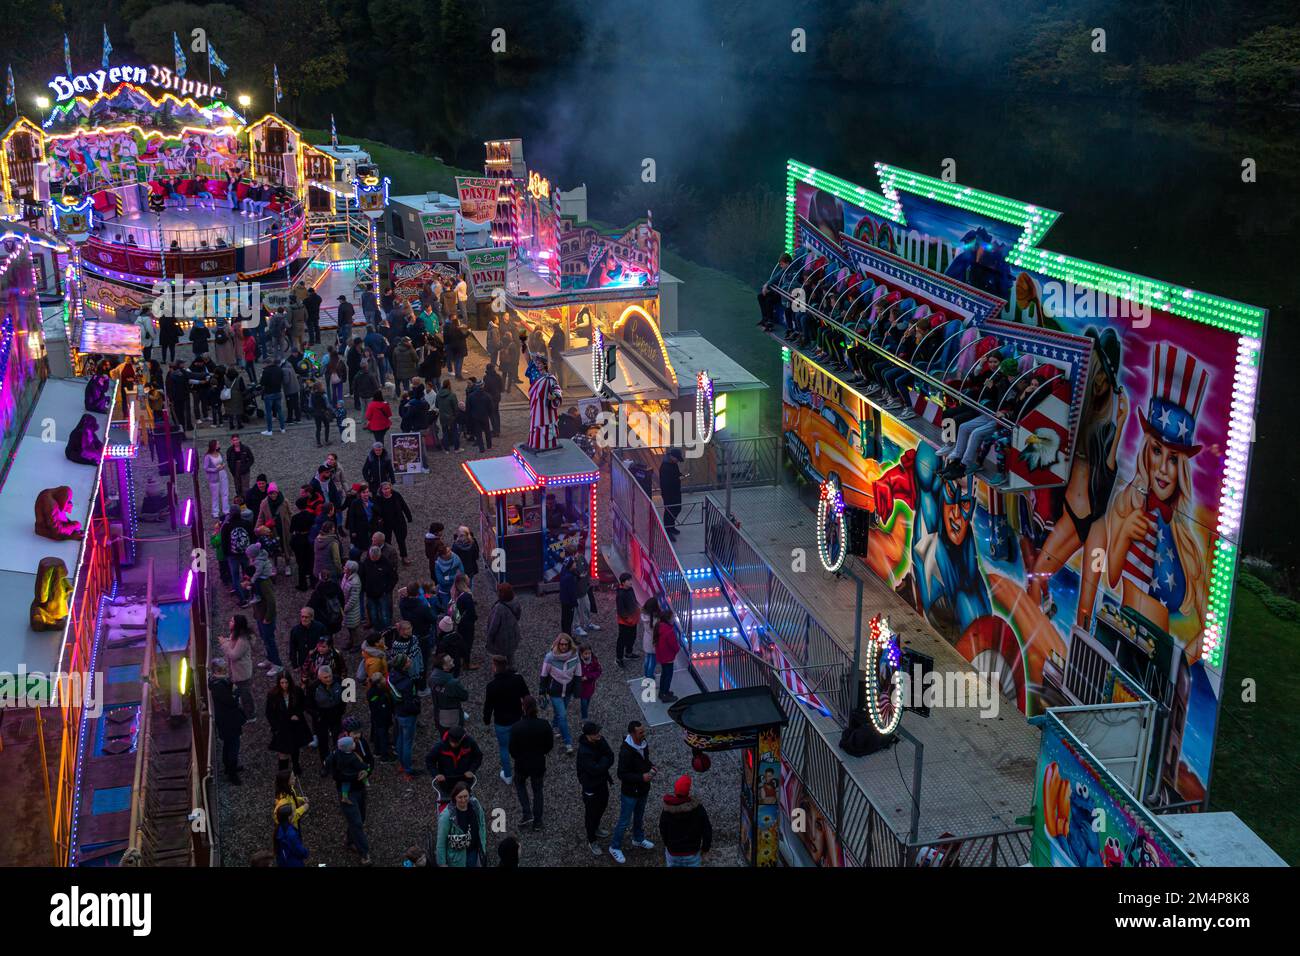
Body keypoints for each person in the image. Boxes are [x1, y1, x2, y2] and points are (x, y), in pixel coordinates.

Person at [609, 720, 656, 863]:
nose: (644, 733)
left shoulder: (643, 742)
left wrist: (651, 766)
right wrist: (641, 777)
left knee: (639, 816)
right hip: (630, 792)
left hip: (642, 789)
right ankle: (614, 847)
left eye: (643, 731)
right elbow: (621, 774)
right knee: (624, 821)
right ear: (632, 733)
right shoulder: (626, 752)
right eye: (640, 732)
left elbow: (645, 760)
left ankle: (638, 838)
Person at [326, 734, 373, 865]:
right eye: (353, 733)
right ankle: (364, 853)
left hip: (360, 789)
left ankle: (350, 841)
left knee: (360, 819)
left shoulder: (361, 744)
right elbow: (337, 775)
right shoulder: (337, 754)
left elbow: (369, 762)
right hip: (348, 793)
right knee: (357, 822)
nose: (357, 736)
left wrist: (367, 772)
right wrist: (356, 775)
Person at [508, 694, 552, 831]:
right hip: (538, 763)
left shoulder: (516, 727)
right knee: (538, 791)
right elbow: (549, 745)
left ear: (523, 707)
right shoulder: (544, 725)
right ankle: (538, 822)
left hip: (521, 763)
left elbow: (512, 749)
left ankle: (527, 813)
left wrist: (518, 757)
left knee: (520, 784)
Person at [576, 720, 615, 856]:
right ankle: (591, 839)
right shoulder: (584, 752)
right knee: (591, 813)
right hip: (591, 787)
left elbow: (611, 755)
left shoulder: (599, 739)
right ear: (588, 735)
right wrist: (603, 761)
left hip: (601, 782)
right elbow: (596, 769)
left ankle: (596, 827)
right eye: (595, 733)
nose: (599, 734)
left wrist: (601, 763)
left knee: (602, 805)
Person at [658, 774, 713, 866]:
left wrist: (668, 844)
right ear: (688, 791)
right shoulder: (698, 809)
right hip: (692, 854)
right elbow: (707, 830)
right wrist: (705, 849)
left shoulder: (667, 810)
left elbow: (662, 829)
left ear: (675, 790)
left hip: (673, 853)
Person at [266, 669, 312, 776]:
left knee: (295, 747)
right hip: (282, 726)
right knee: (283, 751)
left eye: (286, 682)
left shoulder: (296, 691)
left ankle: (296, 766)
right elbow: (269, 713)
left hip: (295, 725)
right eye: (282, 683)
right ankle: (283, 774)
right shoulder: (273, 695)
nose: (284, 685)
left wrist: (297, 714)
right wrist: (275, 726)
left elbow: (303, 705)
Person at [540, 634, 581, 753]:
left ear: (569, 645)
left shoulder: (575, 656)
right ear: (558, 644)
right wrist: (542, 691)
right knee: (563, 715)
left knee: (559, 713)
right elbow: (544, 675)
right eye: (561, 644)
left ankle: (554, 726)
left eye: (566, 644)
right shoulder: (550, 657)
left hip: (568, 691)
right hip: (555, 692)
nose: (563, 646)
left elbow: (578, 673)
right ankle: (568, 742)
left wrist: (578, 689)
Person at [435, 781, 487, 867]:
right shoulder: (447, 816)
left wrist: (483, 843)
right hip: (457, 857)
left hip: (473, 851)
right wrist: (442, 863)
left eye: (465, 796)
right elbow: (441, 841)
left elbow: (482, 823)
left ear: (469, 795)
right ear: (454, 797)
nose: (463, 800)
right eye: (460, 797)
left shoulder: (475, 805)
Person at [208, 658, 244, 784]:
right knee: (233, 745)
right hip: (228, 720)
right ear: (218, 671)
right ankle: (231, 771)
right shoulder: (219, 686)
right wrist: (235, 692)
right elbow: (231, 701)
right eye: (223, 669)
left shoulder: (215, 683)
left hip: (225, 719)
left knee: (229, 744)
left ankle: (229, 767)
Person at [426, 724, 483, 798]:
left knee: (465, 801)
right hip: (446, 781)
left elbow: (478, 756)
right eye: (451, 741)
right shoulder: (440, 746)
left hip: (465, 780)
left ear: (462, 738)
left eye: (456, 742)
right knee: (447, 802)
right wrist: (436, 774)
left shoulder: (470, 742)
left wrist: (471, 770)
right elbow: (429, 760)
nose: (453, 744)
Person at [389, 654, 423, 779]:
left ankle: (401, 762)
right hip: (407, 715)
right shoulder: (407, 683)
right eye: (408, 661)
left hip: (398, 712)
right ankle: (408, 768)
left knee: (400, 738)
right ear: (403, 666)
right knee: (408, 741)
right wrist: (416, 709)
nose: (410, 661)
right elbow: (409, 702)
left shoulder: (392, 675)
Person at [218, 615, 256, 719]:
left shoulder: (242, 640)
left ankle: (251, 715)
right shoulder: (236, 635)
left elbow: (234, 655)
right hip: (238, 672)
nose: (229, 622)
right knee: (242, 693)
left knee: (246, 696)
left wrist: (223, 644)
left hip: (242, 674)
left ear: (237, 625)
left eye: (232, 621)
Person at [312, 664, 346, 773]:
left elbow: (344, 696)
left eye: (330, 676)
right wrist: (317, 715)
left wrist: (341, 710)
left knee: (338, 740)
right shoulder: (313, 687)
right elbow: (308, 704)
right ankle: (325, 764)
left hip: (335, 715)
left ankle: (338, 762)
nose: (329, 679)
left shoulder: (338, 681)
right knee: (323, 742)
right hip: (321, 717)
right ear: (319, 677)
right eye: (325, 677)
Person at [427, 653, 470, 734]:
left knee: (443, 736)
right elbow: (465, 696)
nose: (453, 660)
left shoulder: (432, 678)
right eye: (450, 661)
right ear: (444, 667)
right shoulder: (453, 683)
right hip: (452, 716)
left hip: (438, 713)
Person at [360, 545, 397, 630]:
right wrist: (365, 587)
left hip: (383, 594)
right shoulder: (366, 562)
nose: (372, 559)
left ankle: (387, 631)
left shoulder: (386, 563)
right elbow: (362, 576)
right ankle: (376, 631)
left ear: (379, 555)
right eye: (371, 557)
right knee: (373, 614)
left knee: (385, 614)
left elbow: (394, 578)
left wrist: (387, 589)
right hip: (370, 594)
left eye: (374, 557)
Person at [485, 583, 522, 666]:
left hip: (501, 638)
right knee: (511, 655)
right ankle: (512, 670)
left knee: (500, 658)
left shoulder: (499, 608)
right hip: (513, 633)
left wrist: (489, 639)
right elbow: (518, 616)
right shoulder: (516, 601)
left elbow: (493, 626)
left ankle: (501, 672)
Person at [376, 482, 413, 563]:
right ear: (381, 490)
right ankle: (388, 556)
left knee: (401, 539)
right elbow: (376, 511)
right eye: (384, 489)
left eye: (388, 488)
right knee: (387, 540)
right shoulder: (379, 498)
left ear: (391, 488)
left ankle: (404, 556)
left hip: (398, 521)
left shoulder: (396, 495)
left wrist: (409, 516)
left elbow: (404, 505)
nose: (387, 490)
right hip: (386, 523)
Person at [451, 573, 478, 671]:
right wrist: (475, 618)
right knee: (468, 643)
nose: (469, 580)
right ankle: (467, 663)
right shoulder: (467, 596)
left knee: (462, 641)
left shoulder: (457, 593)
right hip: (467, 623)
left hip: (460, 622)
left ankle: (462, 659)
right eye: (467, 579)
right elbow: (471, 612)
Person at [655, 607, 681, 703]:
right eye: (673, 617)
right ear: (668, 619)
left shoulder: (659, 627)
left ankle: (663, 692)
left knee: (664, 674)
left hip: (662, 656)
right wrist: (676, 650)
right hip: (668, 657)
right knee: (668, 675)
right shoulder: (669, 631)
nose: (674, 618)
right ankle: (664, 694)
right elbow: (674, 645)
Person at [615, 573, 642, 668]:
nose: (631, 582)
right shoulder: (620, 594)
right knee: (622, 640)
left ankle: (629, 653)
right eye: (629, 580)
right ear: (623, 582)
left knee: (632, 637)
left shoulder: (630, 589)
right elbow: (621, 610)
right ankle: (619, 658)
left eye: (631, 580)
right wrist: (628, 619)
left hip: (633, 620)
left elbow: (634, 600)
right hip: (625, 622)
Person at [273, 802, 310, 867]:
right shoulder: (291, 834)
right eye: (294, 812)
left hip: (284, 861)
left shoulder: (279, 828)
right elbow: (298, 850)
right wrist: (306, 852)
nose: (295, 812)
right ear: (289, 817)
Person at [659, 447, 684, 539]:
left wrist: (679, 476)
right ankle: (668, 530)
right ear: (672, 457)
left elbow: (675, 474)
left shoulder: (672, 464)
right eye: (677, 459)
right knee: (669, 511)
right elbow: (666, 483)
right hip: (669, 493)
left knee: (677, 508)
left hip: (676, 490)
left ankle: (671, 527)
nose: (677, 461)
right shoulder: (665, 467)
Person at [202, 439, 230, 519]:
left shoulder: (219, 453)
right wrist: (215, 469)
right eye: (217, 444)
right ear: (213, 446)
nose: (219, 445)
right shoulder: (208, 456)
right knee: (215, 495)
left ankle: (226, 510)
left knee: (225, 492)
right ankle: (215, 511)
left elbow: (221, 462)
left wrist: (222, 466)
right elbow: (206, 468)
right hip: (214, 477)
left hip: (222, 474)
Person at [259, 359, 286, 434]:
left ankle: (269, 430)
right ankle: (282, 428)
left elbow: (262, 383)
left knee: (268, 412)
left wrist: (261, 376)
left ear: (266, 363)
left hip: (269, 393)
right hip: (278, 392)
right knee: (279, 411)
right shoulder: (279, 369)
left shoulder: (266, 371)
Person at [340, 560, 363, 649]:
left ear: (350, 570)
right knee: (350, 628)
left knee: (353, 628)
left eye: (345, 567)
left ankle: (356, 644)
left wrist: (344, 608)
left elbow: (353, 599)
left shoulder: (355, 582)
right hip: (345, 607)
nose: (344, 567)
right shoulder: (346, 576)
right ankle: (351, 641)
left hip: (351, 610)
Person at [577, 643, 601, 721]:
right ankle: (585, 718)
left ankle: (585, 713)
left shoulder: (594, 660)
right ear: (581, 653)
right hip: (581, 687)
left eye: (589, 653)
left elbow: (598, 671)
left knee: (587, 701)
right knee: (584, 703)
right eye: (586, 653)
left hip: (590, 686)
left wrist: (588, 677)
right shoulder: (578, 662)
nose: (588, 655)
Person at [226, 434, 254, 498]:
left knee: (245, 487)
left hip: (245, 470)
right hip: (235, 470)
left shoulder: (245, 448)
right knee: (237, 486)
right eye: (234, 440)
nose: (235, 441)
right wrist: (232, 470)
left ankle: (246, 501)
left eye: (236, 440)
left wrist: (246, 467)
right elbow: (228, 461)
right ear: (232, 441)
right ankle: (240, 502)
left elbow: (251, 459)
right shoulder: (230, 450)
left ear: (239, 439)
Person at [558, 557, 580, 637]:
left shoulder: (564, 571)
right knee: (568, 620)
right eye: (574, 563)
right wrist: (575, 603)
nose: (575, 564)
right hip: (569, 602)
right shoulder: (570, 577)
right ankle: (568, 637)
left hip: (563, 600)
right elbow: (572, 592)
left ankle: (565, 635)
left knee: (564, 619)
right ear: (570, 565)